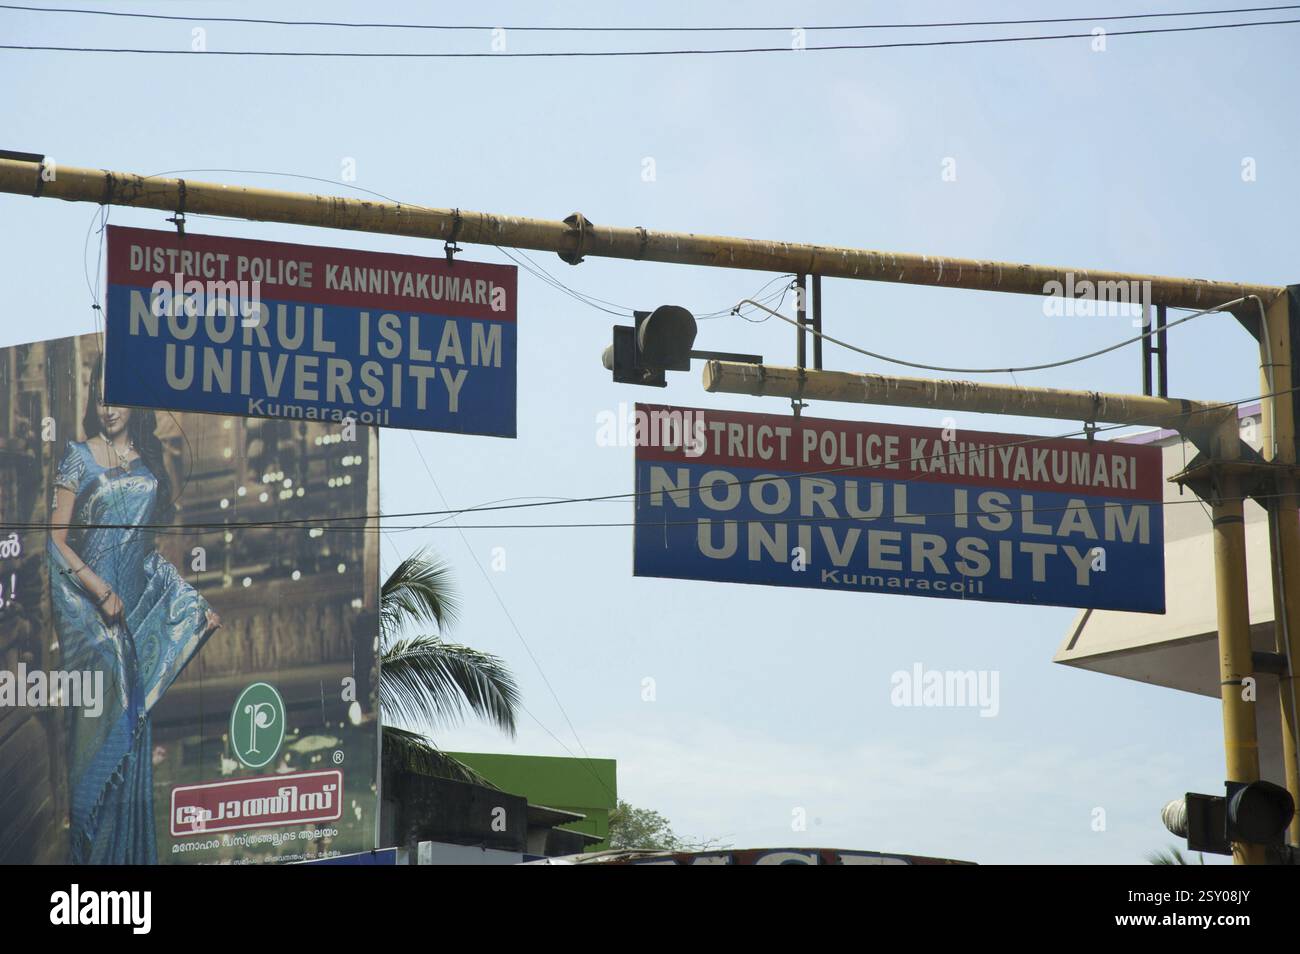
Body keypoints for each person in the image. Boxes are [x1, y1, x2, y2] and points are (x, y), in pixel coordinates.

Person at [47, 362, 221, 864]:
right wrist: (99, 592)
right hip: (92, 626)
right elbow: (54, 544)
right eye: (100, 397)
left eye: (117, 396)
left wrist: (192, 607)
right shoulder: (76, 459)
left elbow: (148, 559)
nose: (109, 406)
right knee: (98, 748)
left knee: (132, 741)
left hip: (130, 630)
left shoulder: (149, 464)